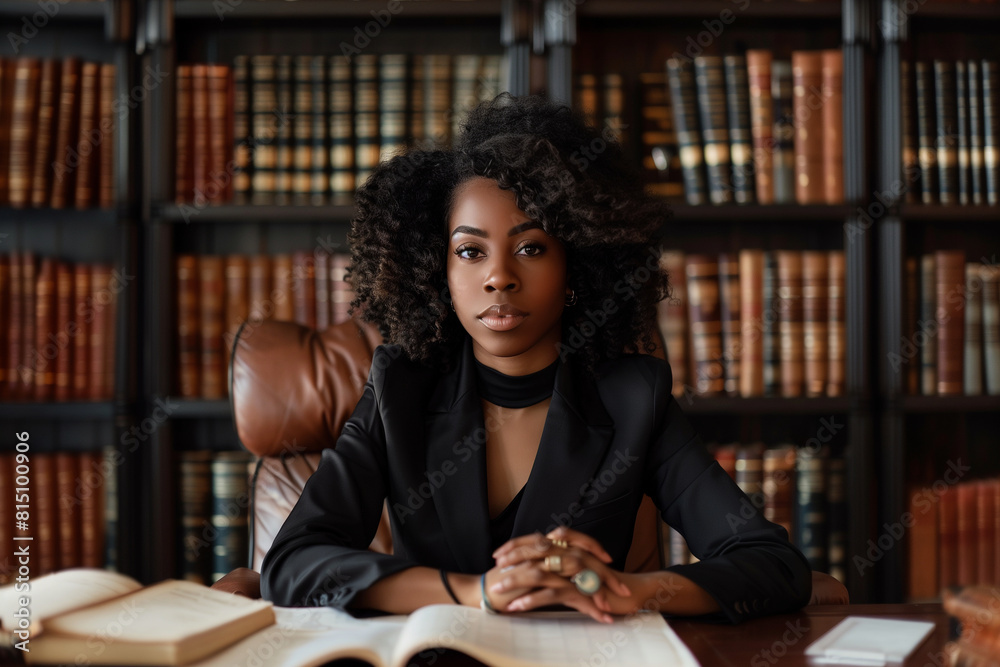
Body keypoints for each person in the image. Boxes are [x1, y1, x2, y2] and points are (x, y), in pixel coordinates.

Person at [260, 94, 812, 624]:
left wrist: (623, 590)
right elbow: (292, 564)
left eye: (531, 248)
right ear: (438, 274)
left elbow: (772, 564)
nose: (499, 276)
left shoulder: (632, 399)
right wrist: (474, 592)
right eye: (470, 252)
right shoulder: (400, 388)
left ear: (577, 266)